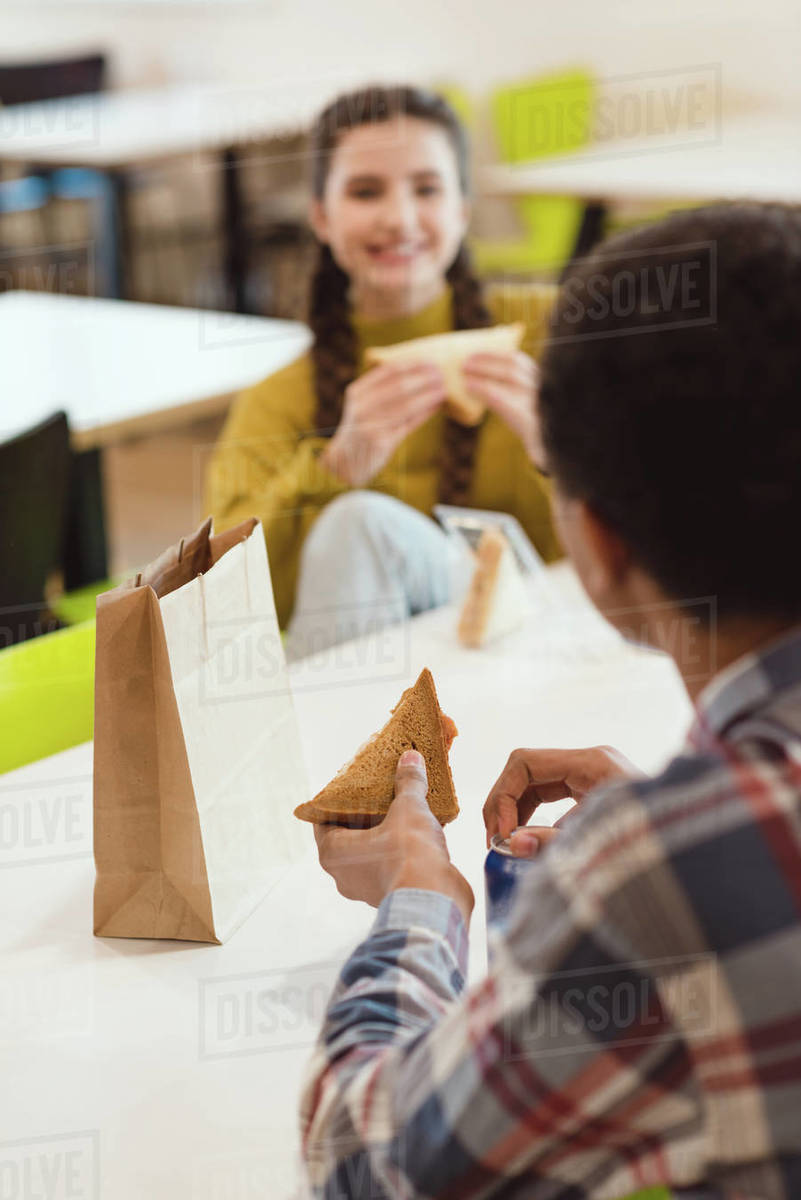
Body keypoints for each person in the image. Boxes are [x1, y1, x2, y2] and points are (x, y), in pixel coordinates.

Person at [299, 203, 801, 1196]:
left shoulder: (650, 877)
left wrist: (420, 901)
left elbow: (365, 1162)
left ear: (599, 547)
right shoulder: (679, 849)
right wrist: (678, 818)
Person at [204, 85, 560, 657]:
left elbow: (644, 535)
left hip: (545, 635)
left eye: (427, 189)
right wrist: (334, 466)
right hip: (389, 671)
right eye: (366, 192)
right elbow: (218, 602)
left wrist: (556, 447)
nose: (399, 218)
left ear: (462, 209)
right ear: (320, 216)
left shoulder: (547, 332)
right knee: (359, 523)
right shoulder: (277, 398)